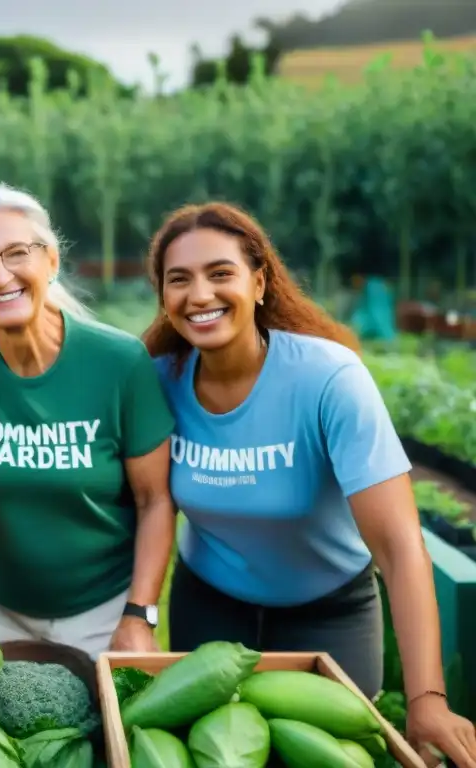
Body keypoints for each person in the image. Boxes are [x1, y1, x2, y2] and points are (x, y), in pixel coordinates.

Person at [142, 202, 476, 767]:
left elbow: (398, 548)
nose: (199, 294)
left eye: (220, 273)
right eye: (180, 279)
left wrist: (427, 699)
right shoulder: (156, 383)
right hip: (209, 608)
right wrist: (139, 616)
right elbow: (147, 505)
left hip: (329, 612)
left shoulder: (328, 380)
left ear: (260, 281)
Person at [0, 183, 175, 660]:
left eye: (17, 253)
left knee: (112, 734)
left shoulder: (119, 362)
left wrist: (140, 615)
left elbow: (154, 498)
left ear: (51, 261)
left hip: (104, 610)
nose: (0, 276)